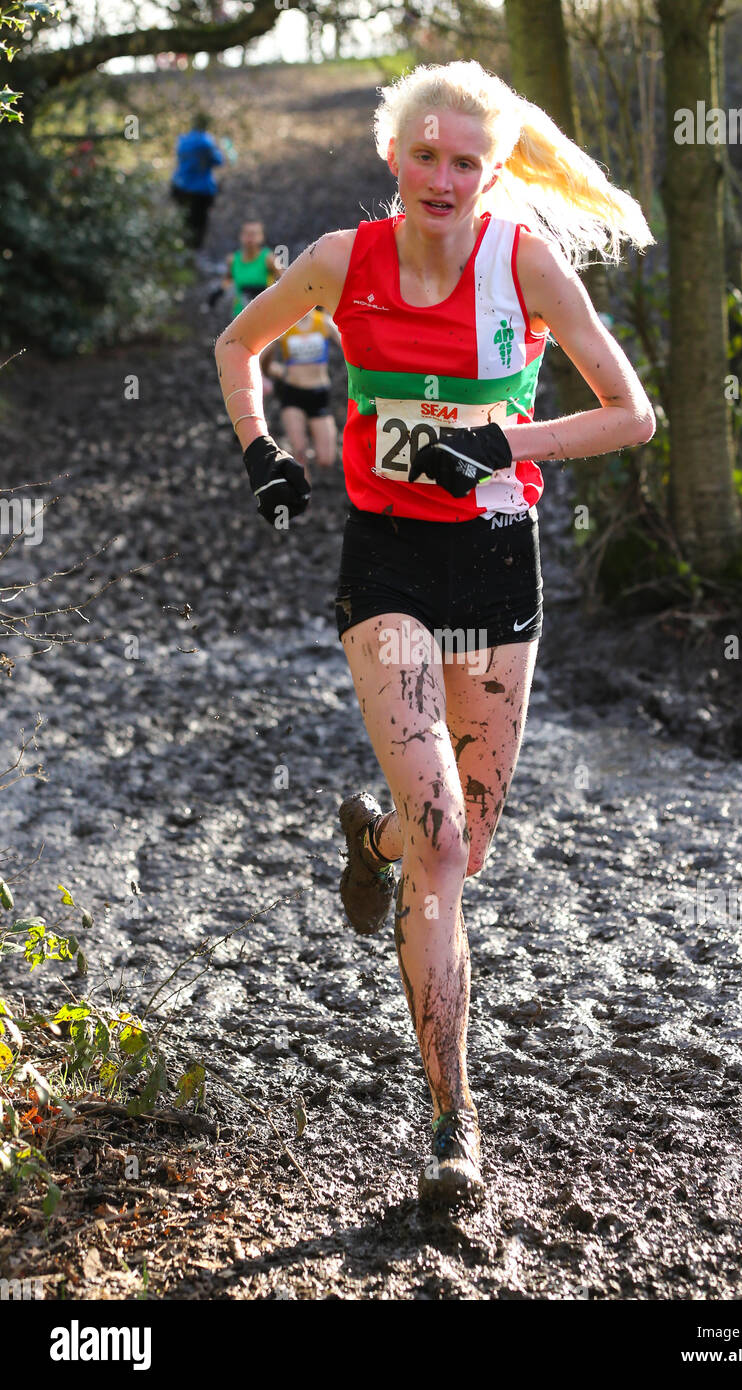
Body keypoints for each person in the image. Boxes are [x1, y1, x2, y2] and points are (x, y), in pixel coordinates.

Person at [214, 60, 656, 1209]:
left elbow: (631, 413)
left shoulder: (525, 265)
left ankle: (372, 850)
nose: (444, 177)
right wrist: (262, 452)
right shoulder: (335, 263)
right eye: (425, 154)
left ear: (493, 169)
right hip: (390, 566)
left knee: (462, 844)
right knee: (446, 848)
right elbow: (235, 347)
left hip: (497, 562)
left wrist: (509, 445)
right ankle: (453, 1127)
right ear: (391, 157)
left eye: (467, 159)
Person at [260, 308, 343, 479]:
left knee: (326, 458)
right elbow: (264, 355)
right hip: (293, 393)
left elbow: (347, 346)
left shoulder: (323, 322)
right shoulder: (285, 325)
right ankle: (304, 497)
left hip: (319, 394)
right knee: (299, 451)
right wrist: (272, 371)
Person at [170, 111, 224, 250]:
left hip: (180, 185)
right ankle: (193, 251)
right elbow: (218, 160)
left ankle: (181, 247)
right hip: (200, 189)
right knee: (199, 223)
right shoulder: (206, 142)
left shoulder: (183, 139)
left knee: (184, 219)